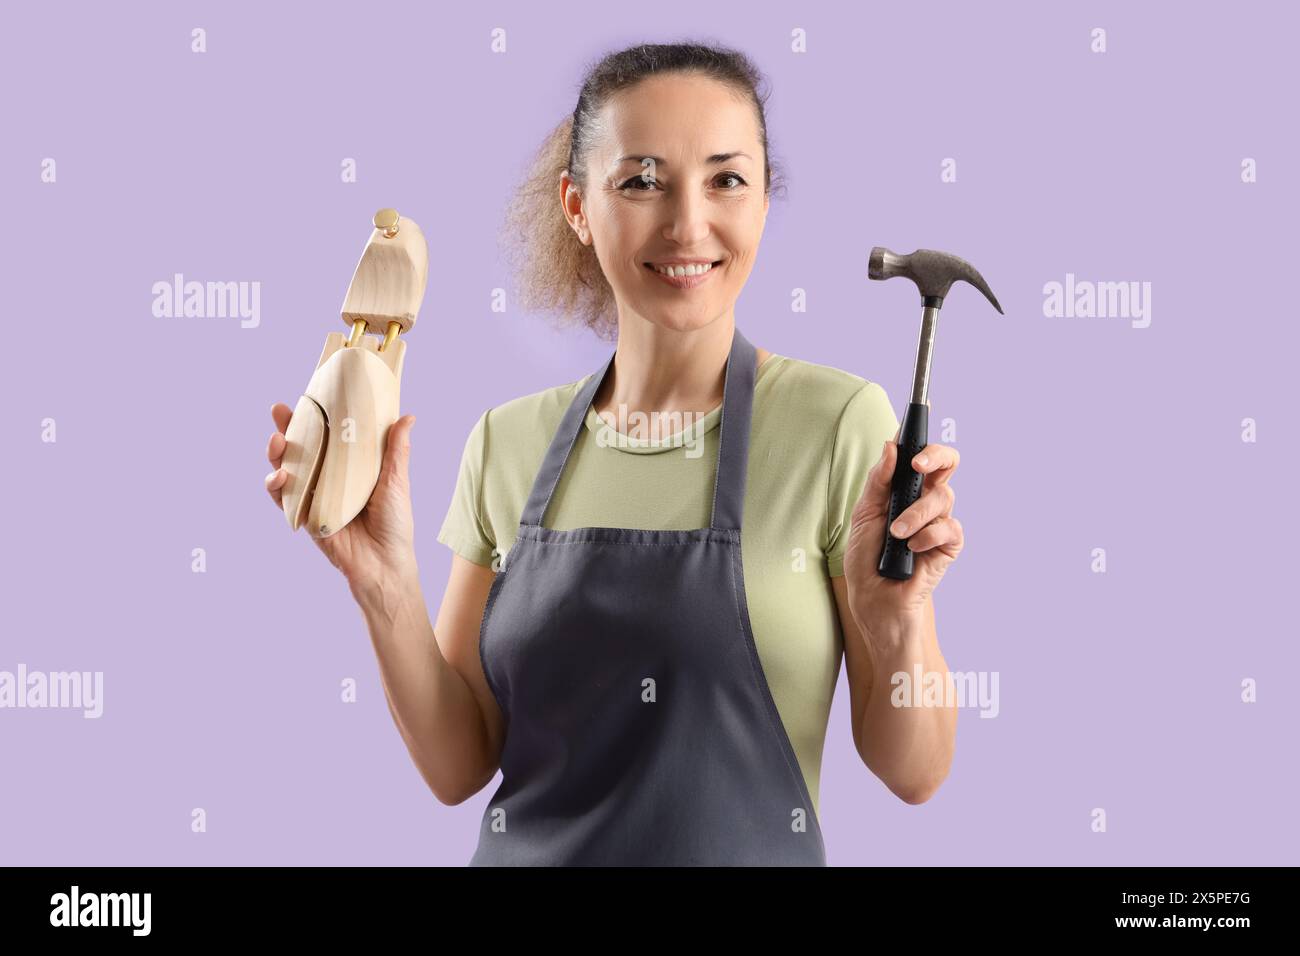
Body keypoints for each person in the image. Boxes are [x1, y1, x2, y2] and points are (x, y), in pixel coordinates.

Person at [264, 42, 962, 866]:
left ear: (764, 201)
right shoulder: (507, 442)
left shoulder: (838, 425)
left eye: (727, 180)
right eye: (641, 182)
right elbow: (459, 763)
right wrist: (382, 583)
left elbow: (915, 773)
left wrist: (898, 626)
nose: (688, 224)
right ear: (577, 206)